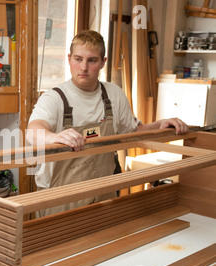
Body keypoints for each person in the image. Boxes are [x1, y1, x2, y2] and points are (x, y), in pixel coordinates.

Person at [27, 30, 188, 217]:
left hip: (104, 192)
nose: (83, 67)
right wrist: (55, 137)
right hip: (62, 198)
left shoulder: (113, 94)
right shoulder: (54, 97)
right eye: (78, 59)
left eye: (92, 60)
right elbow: (33, 132)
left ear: (103, 62)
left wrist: (160, 124)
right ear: (69, 59)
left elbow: (134, 130)